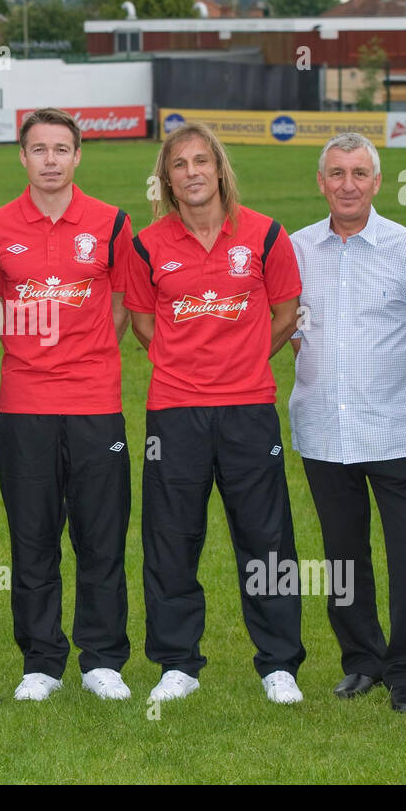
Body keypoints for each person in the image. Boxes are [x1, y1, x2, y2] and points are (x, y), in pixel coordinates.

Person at [124, 122, 305, 705]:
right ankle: (178, 662)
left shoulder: (266, 235)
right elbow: (146, 327)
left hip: (249, 408)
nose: (192, 172)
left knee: (267, 537)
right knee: (172, 538)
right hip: (175, 412)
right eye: (180, 164)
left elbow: (286, 314)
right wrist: (189, 369)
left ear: (220, 169)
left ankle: (279, 663)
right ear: (166, 178)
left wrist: (243, 362)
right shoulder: (147, 244)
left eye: (202, 161)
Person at [0, 107, 134, 702]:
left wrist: (86, 356)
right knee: (33, 537)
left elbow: (123, 305)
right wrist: (34, 356)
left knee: (101, 534)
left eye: (61, 150)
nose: (50, 161)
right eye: (38, 150)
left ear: (77, 157)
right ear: (22, 157)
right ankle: (41, 661)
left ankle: (102, 659)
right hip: (24, 404)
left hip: (96, 403)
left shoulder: (111, 222)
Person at [287, 132, 406, 713]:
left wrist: (404, 398)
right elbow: (295, 336)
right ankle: (362, 661)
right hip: (325, 431)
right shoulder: (297, 250)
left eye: (358, 173)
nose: (347, 184)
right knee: (343, 555)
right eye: (335, 173)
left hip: (396, 432)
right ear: (321, 182)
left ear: (376, 182)